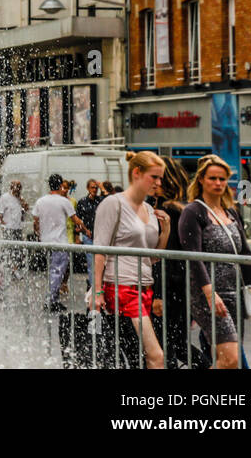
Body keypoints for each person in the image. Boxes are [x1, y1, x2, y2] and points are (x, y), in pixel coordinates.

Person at [179, 154, 251, 369]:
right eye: (212, 178)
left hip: (234, 292)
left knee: (227, 360)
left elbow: (245, 253)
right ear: (201, 180)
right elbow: (194, 259)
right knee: (231, 358)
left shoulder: (231, 212)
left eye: (222, 179)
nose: (218, 183)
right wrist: (210, 294)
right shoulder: (193, 212)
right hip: (207, 295)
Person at [90, 151, 171, 368]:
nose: (158, 182)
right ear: (137, 173)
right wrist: (97, 292)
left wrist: (166, 230)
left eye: (160, 177)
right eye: (154, 177)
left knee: (136, 357)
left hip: (145, 286)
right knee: (156, 356)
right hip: (121, 287)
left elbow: (152, 257)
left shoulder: (149, 209)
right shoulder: (113, 203)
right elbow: (100, 250)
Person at [148, 159, 197, 368]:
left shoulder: (169, 210)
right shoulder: (182, 207)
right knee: (176, 342)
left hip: (170, 286)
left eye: (158, 178)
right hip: (181, 285)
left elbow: (166, 255)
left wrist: (158, 294)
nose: (154, 182)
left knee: (165, 344)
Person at [33, 173, 90, 311]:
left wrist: (39, 235)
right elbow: (76, 220)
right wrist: (86, 230)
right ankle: (51, 300)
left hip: (46, 241)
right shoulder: (64, 201)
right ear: (60, 185)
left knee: (53, 270)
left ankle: (53, 299)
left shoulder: (41, 201)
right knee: (57, 271)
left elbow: (36, 222)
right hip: (59, 241)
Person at [0, 180, 28, 277]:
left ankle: (14, 269)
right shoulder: (5, 198)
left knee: (18, 250)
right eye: (16, 186)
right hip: (9, 228)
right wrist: (2, 224)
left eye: (19, 186)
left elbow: (26, 209)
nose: (18, 188)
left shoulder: (19, 199)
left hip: (17, 228)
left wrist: (22, 202)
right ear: (11, 187)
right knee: (10, 250)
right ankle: (9, 270)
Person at [75, 180, 102, 288]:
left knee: (100, 263)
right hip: (88, 236)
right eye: (92, 187)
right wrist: (81, 233)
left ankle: (97, 285)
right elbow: (77, 219)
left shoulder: (100, 201)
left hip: (100, 236)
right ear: (88, 188)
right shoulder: (82, 202)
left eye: (96, 188)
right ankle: (93, 286)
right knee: (91, 263)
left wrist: (102, 188)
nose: (94, 190)